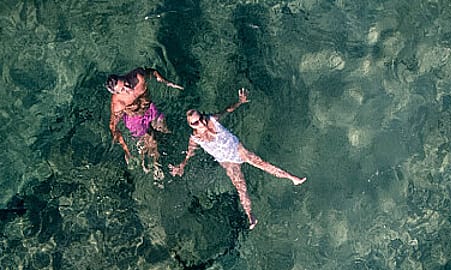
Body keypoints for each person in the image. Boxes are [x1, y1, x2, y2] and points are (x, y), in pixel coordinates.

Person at [168, 88, 306, 229]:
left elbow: (227, 111)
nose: (201, 123)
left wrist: (240, 102)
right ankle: (250, 215)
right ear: (191, 125)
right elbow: (190, 153)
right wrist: (182, 166)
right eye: (196, 123)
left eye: (201, 118)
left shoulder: (212, 120)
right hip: (227, 162)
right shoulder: (195, 139)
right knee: (241, 187)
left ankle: (292, 178)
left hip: (238, 151)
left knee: (262, 164)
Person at [106, 67, 184, 178]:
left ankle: (178, 160)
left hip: (149, 109)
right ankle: (157, 172)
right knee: (152, 145)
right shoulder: (118, 103)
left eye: (126, 82)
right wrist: (125, 149)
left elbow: (152, 72)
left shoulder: (138, 76)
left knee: (166, 132)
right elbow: (113, 125)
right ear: (117, 93)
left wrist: (167, 82)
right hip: (135, 121)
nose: (128, 88)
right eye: (122, 89)